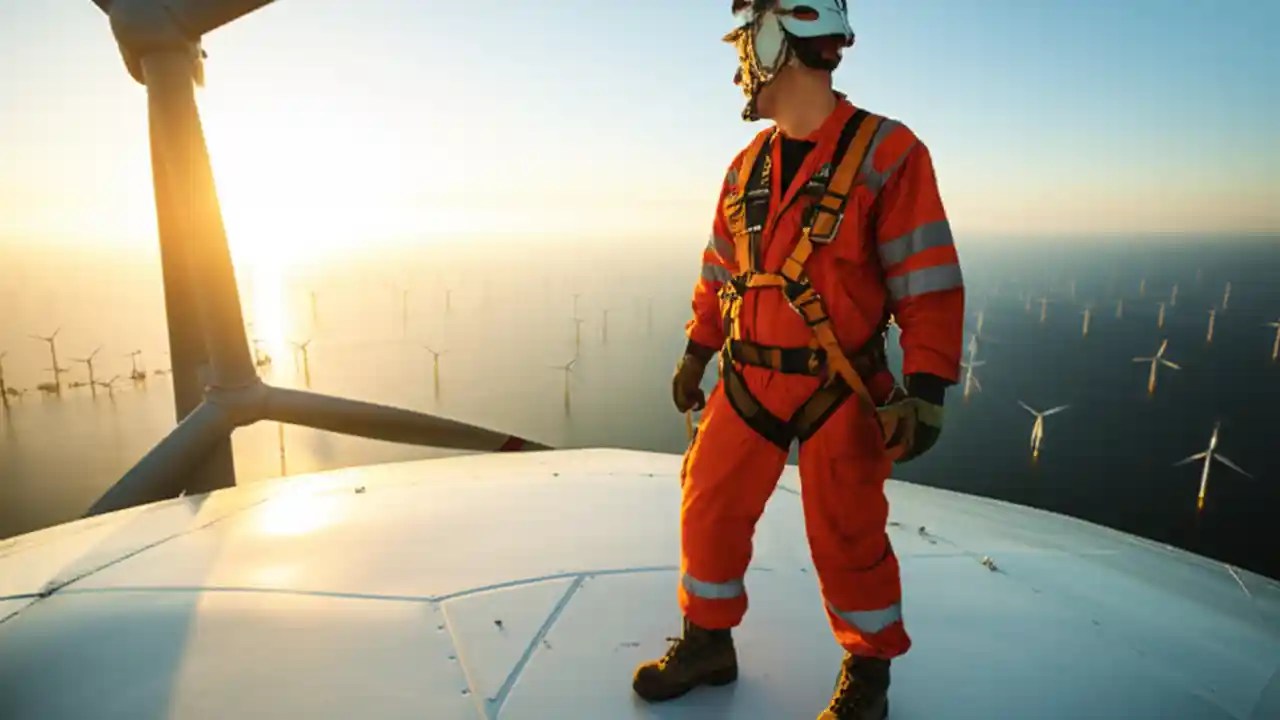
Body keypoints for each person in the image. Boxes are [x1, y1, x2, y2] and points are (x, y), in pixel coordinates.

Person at [631, 1, 965, 718]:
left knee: (847, 532)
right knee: (709, 504)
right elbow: (721, 270)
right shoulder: (745, 168)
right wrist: (698, 350)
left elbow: (926, 277)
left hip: (836, 384)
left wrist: (927, 384)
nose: (742, 61)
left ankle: (868, 677)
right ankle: (708, 642)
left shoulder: (889, 155)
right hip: (748, 374)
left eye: (749, 40)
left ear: (783, 38)